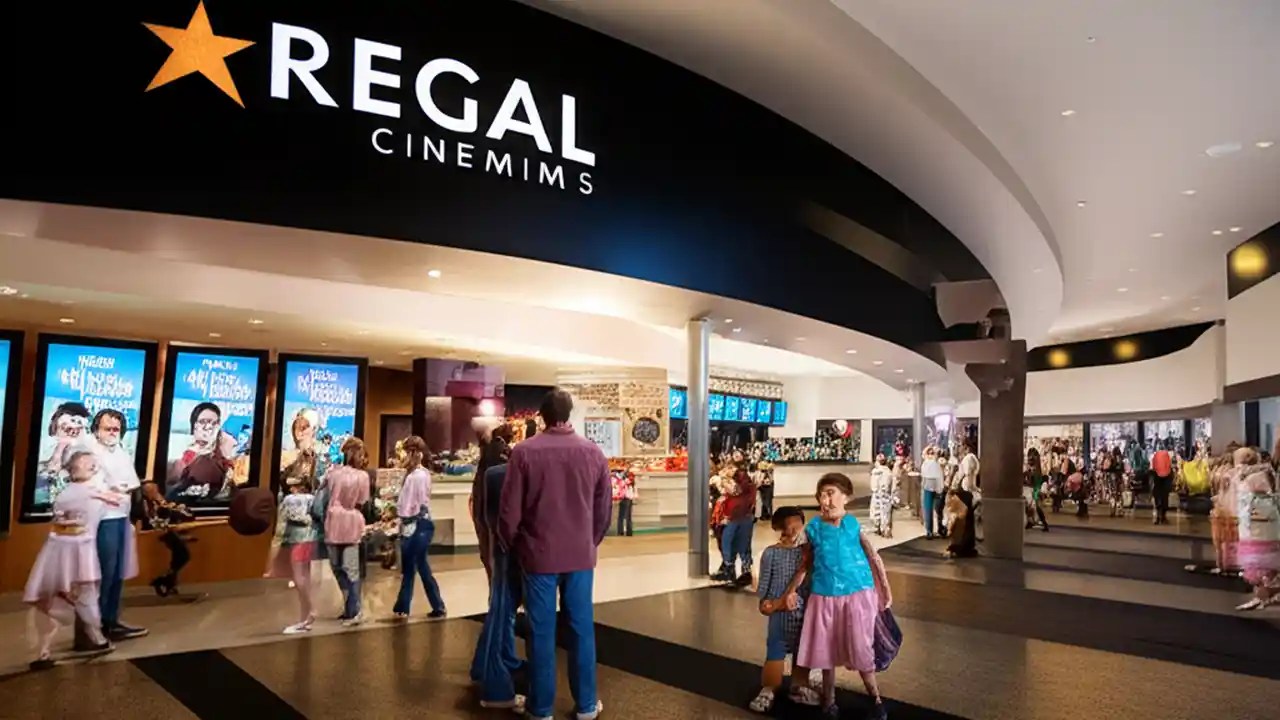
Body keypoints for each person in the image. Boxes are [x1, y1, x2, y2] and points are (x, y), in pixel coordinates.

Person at [497, 389, 611, 720]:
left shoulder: (524, 452)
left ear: (541, 416)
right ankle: (587, 705)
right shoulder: (593, 453)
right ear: (570, 413)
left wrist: (512, 544)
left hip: (538, 556)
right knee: (580, 629)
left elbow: (509, 511)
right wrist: (590, 540)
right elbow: (604, 509)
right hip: (580, 556)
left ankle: (541, 707)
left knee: (541, 631)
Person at [782, 473, 892, 720]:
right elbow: (805, 564)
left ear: (846, 497)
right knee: (826, 650)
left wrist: (883, 591)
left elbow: (873, 556)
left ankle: (875, 699)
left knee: (862, 647)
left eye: (830, 493)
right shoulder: (813, 528)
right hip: (824, 596)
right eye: (822, 494)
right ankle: (829, 702)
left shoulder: (853, 524)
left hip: (857, 594)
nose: (825, 499)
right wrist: (791, 591)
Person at [25, 451, 117, 669]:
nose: (96, 468)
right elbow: (116, 502)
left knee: (50, 602)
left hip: (55, 551)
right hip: (81, 551)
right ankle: (98, 639)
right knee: (87, 595)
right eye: (92, 464)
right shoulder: (95, 493)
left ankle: (43, 652)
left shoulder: (63, 494)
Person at [75, 409, 145, 646]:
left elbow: (130, 484)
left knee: (117, 573)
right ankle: (94, 627)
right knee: (103, 573)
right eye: (108, 428)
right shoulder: (88, 451)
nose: (112, 433)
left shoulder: (122, 453)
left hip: (120, 517)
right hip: (101, 519)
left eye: (116, 429)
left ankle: (111, 620)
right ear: (97, 429)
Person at [471, 438, 526, 712]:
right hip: (505, 555)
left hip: (494, 550)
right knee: (501, 612)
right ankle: (496, 685)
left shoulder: (485, 477)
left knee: (498, 610)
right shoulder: (500, 476)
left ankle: (484, 666)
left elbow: (486, 519)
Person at [749, 506, 819, 712]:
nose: (795, 526)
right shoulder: (771, 553)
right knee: (775, 651)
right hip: (779, 614)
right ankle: (768, 688)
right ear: (779, 526)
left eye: (798, 521)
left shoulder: (808, 554)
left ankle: (799, 685)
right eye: (789, 522)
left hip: (804, 610)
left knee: (803, 650)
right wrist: (767, 603)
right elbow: (764, 586)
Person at [392, 435, 446, 619]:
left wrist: (401, 519)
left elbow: (414, 504)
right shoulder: (417, 475)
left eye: (406, 452)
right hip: (418, 524)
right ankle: (437, 605)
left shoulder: (417, 476)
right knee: (421, 566)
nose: (403, 457)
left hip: (416, 525)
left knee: (409, 568)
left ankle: (403, 607)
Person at [324, 438, 372, 625]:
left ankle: (351, 607)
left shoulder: (332, 473)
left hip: (333, 522)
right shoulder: (363, 477)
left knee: (337, 567)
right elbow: (362, 502)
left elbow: (324, 496)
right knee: (351, 569)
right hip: (352, 522)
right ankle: (353, 608)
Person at [267, 475, 320, 634]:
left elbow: (282, 523)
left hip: (296, 539)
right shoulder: (312, 498)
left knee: (298, 577)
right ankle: (304, 618)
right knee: (306, 576)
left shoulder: (289, 500)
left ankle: (310, 610)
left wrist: (276, 544)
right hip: (311, 539)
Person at [1232, 448, 1280, 611]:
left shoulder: (1251, 478)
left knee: (1258, 565)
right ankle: (1267, 594)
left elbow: (1244, 504)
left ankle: (1263, 596)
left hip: (1256, 529)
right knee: (1267, 564)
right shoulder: (1267, 474)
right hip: (1268, 527)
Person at [167, 402, 238, 502]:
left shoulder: (224, 450)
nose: (208, 427)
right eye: (203, 422)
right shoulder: (180, 453)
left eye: (214, 423)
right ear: (194, 425)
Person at [138, 480, 195, 597]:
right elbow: (151, 521)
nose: (156, 492)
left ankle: (169, 580)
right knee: (182, 554)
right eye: (152, 490)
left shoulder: (157, 501)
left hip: (165, 531)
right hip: (156, 533)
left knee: (181, 555)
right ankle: (166, 579)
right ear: (146, 492)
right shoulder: (144, 504)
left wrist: (167, 505)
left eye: (156, 489)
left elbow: (171, 512)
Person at [471, 426, 513, 580]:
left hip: (485, 516)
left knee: (490, 560)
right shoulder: (504, 457)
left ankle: (494, 598)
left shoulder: (485, 460)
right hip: (499, 521)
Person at [712, 450, 757, 585]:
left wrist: (723, 480)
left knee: (736, 543)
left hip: (738, 516)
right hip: (732, 516)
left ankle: (742, 571)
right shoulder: (737, 477)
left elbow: (736, 490)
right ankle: (730, 569)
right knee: (729, 543)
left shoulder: (742, 477)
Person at [36, 402, 91, 504]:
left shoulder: (88, 463)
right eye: (67, 428)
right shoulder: (43, 454)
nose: (73, 427)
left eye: (79, 424)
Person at [920, 447, 945, 539]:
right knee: (937, 511)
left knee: (928, 510)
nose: (930, 455)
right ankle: (938, 529)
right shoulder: (935, 464)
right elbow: (940, 477)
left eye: (932, 453)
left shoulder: (926, 463)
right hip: (935, 488)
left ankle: (930, 532)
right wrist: (940, 488)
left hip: (928, 488)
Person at [869, 454, 896, 538]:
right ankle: (886, 530)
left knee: (875, 511)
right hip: (885, 494)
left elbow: (873, 485)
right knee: (886, 513)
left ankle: (877, 527)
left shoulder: (874, 472)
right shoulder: (888, 472)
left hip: (876, 493)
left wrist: (875, 489)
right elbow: (892, 485)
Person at [1024, 449, 1050, 532]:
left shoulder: (1035, 468)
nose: (1029, 459)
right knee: (1029, 506)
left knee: (1036, 507)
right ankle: (1030, 522)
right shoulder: (1035, 467)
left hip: (1036, 488)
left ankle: (1044, 523)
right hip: (1034, 488)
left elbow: (1033, 480)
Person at [1151, 446, 1174, 525]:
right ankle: (1163, 517)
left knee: (1158, 499)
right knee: (1165, 498)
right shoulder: (1167, 455)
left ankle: (1157, 517)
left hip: (1157, 479)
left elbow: (1153, 467)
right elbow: (1169, 467)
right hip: (1166, 478)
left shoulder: (1155, 455)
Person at [612, 468, 637, 537]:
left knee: (621, 517)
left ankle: (621, 532)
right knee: (628, 517)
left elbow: (619, 488)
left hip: (624, 499)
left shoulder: (624, 481)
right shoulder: (631, 482)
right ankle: (629, 532)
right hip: (629, 499)